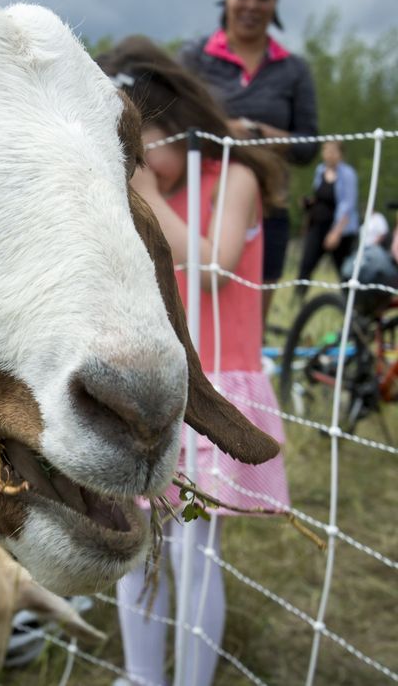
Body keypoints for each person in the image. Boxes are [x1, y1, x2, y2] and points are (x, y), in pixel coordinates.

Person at [98, 36, 289, 686]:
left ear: (177, 121)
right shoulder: (143, 188)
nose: (139, 165)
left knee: (196, 552)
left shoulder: (232, 175)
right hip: (153, 388)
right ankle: (144, 676)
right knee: (140, 544)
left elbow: (213, 269)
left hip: (215, 390)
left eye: (143, 144)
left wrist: (148, 193)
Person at [178, 0, 318, 320]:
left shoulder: (294, 70)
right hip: (200, 208)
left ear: (275, 3)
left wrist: (263, 134)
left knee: (251, 324)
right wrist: (226, 130)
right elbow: (171, 119)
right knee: (192, 318)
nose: (252, 5)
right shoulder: (194, 58)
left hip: (269, 209)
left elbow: (309, 146)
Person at [296, 140, 360, 296]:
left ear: (340, 154)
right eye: (326, 151)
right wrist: (309, 203)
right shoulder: (320, 171)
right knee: (306, 263)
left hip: (340, 229)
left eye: (332, 151)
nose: (328, 155)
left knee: (343, 270)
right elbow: (321, 197)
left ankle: (350, 304)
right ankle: (297, 300)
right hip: (318, 226)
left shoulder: (348, 174)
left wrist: (336, 232)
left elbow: (348, 204)